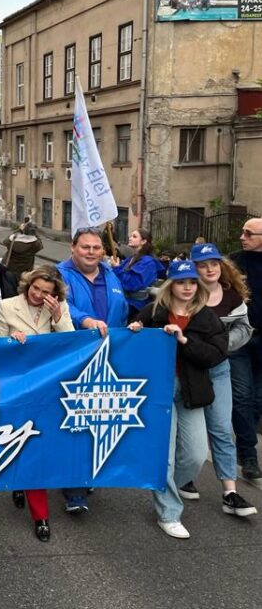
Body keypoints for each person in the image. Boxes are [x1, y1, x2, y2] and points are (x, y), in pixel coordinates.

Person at [129, 260, 229, 539]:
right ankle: (169, 513)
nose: (187, 287)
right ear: (170, 285)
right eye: (181, 282)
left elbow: (216, 355)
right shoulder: (154, 311)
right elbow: (131, 344)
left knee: (196, 454)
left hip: (191, 390)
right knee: (166, 454)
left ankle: (163, 484)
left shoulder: (206, 317)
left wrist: (185, 341)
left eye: (192, 282)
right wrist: (135, 331)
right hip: (158, 390)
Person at [0, 266, 75, 542]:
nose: (38, 295)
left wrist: (58, 317)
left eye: (46, 292)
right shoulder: (7, 306)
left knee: (37, 446)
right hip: (17, 387)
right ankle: (36, 508)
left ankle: (36, 507)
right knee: (21, 442)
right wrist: (10, 342)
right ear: (28, 285)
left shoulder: (59, 309)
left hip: (47, 388)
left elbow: (71, 342)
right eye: (35, 288)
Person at [177, 243, 256, 516]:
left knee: (221, 428)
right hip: (189, 371)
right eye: (202, 265)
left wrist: (221, 346)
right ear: (193, 268)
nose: (210, 269)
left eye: (214, 263)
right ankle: (184, 475)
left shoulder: (233, 296)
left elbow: (244, 328)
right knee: (190, 435)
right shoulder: (186, 294)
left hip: (219, 368)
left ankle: (230, 492)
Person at [55, 227, 128, 513]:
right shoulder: (60, 274)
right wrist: (85, 320)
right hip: (74, 356)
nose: (91, 252)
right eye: (85, 247)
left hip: (108, 355)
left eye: (96, 247)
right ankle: (73, 488)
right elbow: (62, 305)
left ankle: (87, 472)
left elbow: (122, 308)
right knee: (76, 419)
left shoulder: (110, 274)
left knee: (98, 419)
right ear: (73, 248)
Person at [229, 218, 262, 484]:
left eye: (249, 233)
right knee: (242, 396)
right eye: (242, 232)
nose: (243, 237)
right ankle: (248, 455)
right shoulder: (233, 262)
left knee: (258, 400)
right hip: (240, 338)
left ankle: (245, 441)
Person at [111, 229, 164, 320]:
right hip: (124, 300)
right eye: (131, 236)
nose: (130, 238)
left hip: (135, 306)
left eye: (134, 236)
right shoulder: (131, 258)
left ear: (143, 241)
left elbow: (132, 284)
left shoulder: (148, 262)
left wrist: (116, 268)